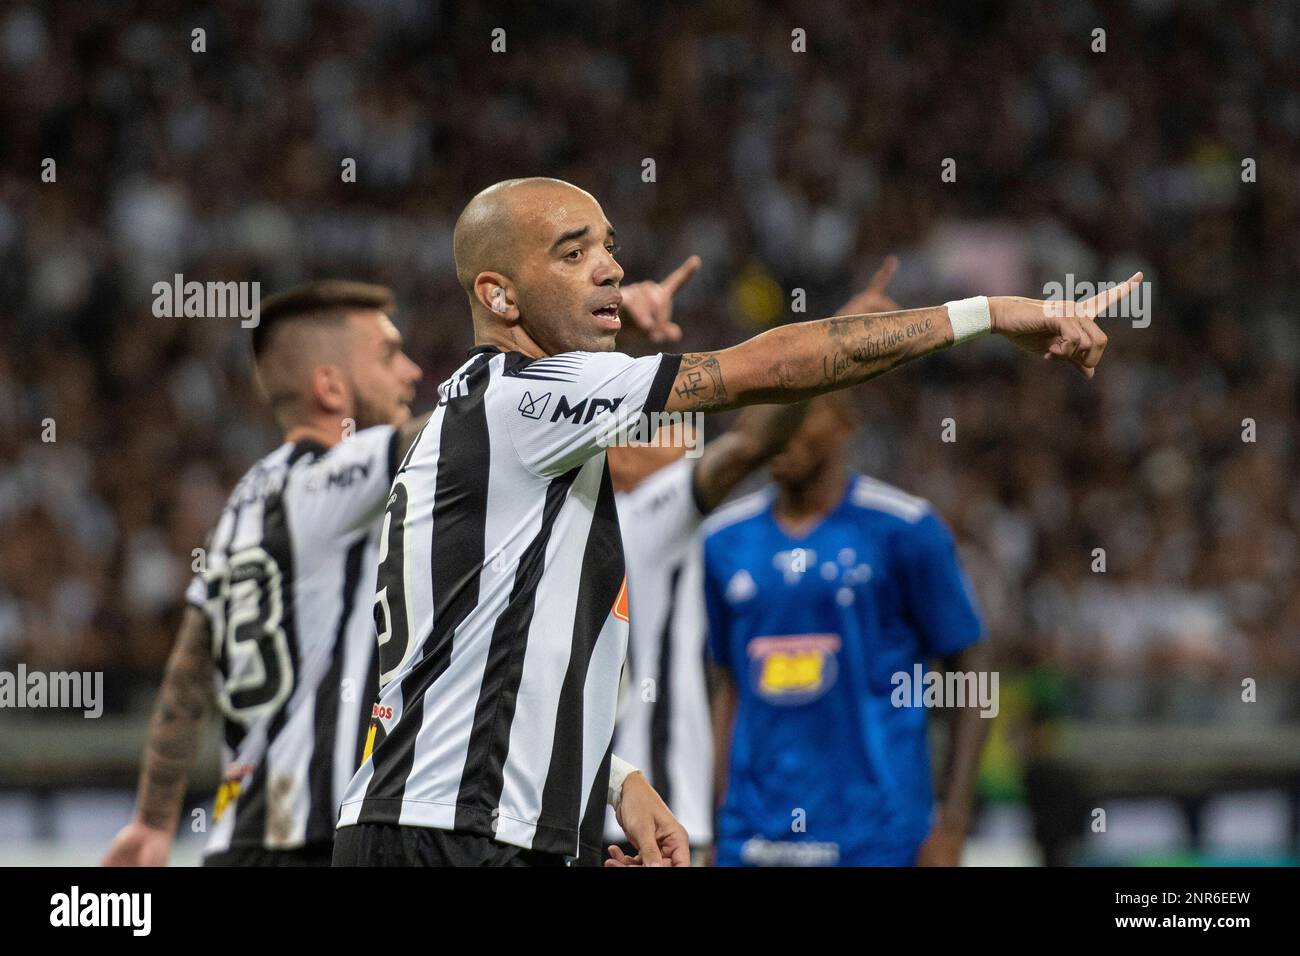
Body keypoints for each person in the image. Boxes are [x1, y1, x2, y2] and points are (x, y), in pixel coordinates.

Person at [333, 176, 1139, 868]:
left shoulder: (483, 423)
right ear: (498, 294)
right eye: (572, 253)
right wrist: (992, 312)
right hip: (456, 835)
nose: (610, 267)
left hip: (446, 821)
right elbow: (774, 370)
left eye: (609, 246)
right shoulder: (528, 400)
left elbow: (469, 673)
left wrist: (614, 783)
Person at [103, 281, 426, 866]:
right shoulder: (342, 472)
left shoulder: (241, 504)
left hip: (237, 843)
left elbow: (184, 678)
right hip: (317, 838)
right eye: (387, 354)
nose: (411, 370)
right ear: (329, 386)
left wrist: (153, 823)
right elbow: (469, 428)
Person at [603, 260, 903, 864]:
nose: (687, 441)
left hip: (611, 807)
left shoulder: (605, 519)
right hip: (645, 813)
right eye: (661, 431)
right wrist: (844, 332)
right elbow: (754, 440)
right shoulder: (641, 515)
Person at [703, 389, 991, 866]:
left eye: (801, 409)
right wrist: (713, 823)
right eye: (768, 408)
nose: (781, 425)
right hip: (750, 839)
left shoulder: (905, 529)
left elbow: (973, 670)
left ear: (846, 424)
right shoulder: (721, 540)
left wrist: (953, 822)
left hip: (878, 840)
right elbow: (725, 687)